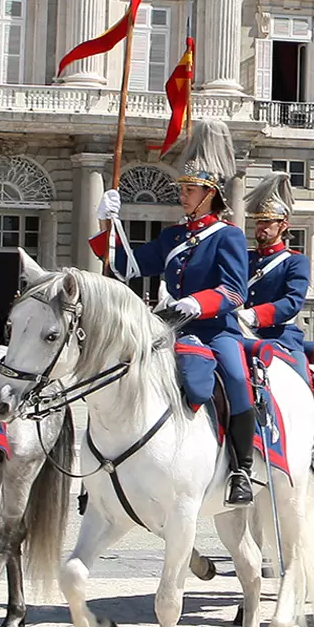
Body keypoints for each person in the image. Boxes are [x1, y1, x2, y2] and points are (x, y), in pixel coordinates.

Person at [91, 120, 256, 506]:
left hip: (217, 331)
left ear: (210, 194)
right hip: (172, 330)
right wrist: (106, 222)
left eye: (190, 189)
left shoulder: (228, 235)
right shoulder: (173, 237)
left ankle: (240, 469)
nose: (182, 195)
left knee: (235, 378)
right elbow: (125, 266)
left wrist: (199, 303)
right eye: (181, 188)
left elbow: (235, 291)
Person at [238, 172, 312, 386]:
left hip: (280, 336)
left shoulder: (295, 261)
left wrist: (254, 315)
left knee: (301, 383)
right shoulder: (246, 258)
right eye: (258, 221)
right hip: (240, 332)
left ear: (283, 225)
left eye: (267, 222)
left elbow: (292, 303)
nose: (261, 226)